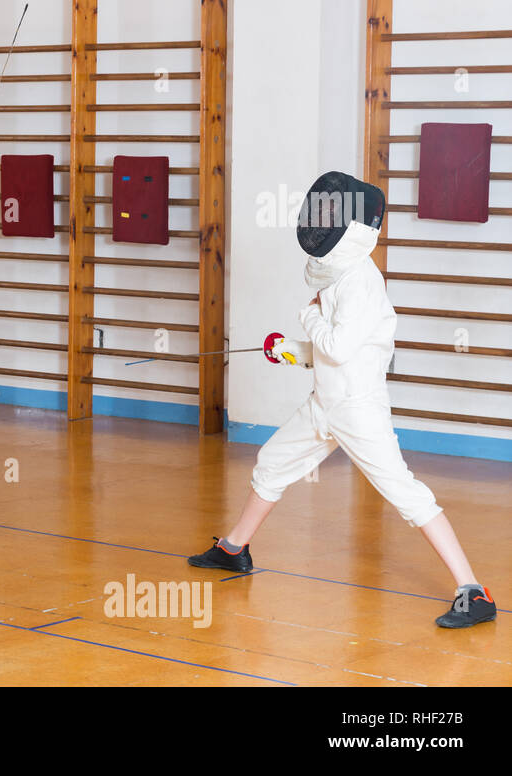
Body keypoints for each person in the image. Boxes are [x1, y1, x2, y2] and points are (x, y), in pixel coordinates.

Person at [188, 171, 495, 628]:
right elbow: (328, 352)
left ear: (352, 226)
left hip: (357, 410)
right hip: (325, 404)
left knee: (405, 494)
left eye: (333, 212)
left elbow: (336, 346)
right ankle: (233, 549)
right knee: (272, 462)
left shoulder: (362, 283)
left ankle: (475, 593)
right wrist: (291, 350)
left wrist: (306, 317)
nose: (323, 218)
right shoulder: (337, 275)